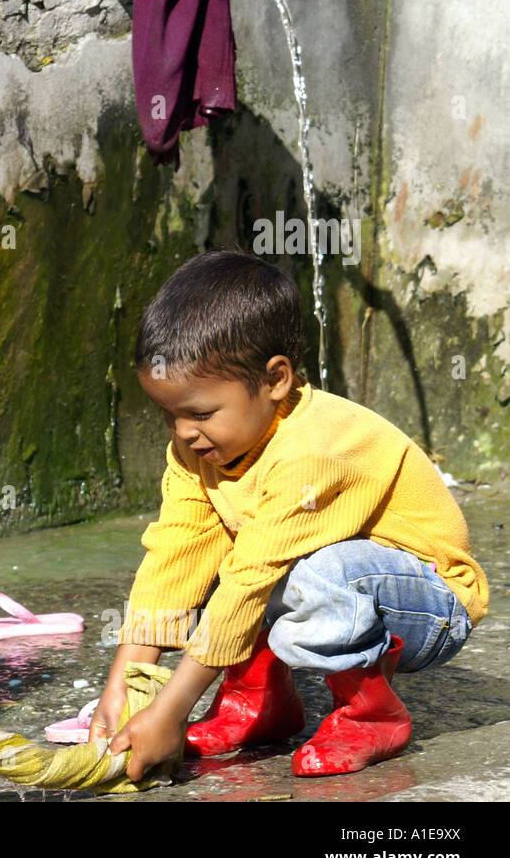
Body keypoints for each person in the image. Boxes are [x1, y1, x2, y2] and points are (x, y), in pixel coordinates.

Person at [92, 249, 488, 779]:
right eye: (169, 415)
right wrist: (125, 682)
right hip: (332, 582)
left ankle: (373, 714)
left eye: (200, 413)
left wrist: (169, 711)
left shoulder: (311, 452)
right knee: (214, 564)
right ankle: (258, 703)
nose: (184, 432)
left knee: (301, 574)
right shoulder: (198, 449)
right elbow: (174, 556)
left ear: (276, 379)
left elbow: (253, 580)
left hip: (429, 604)